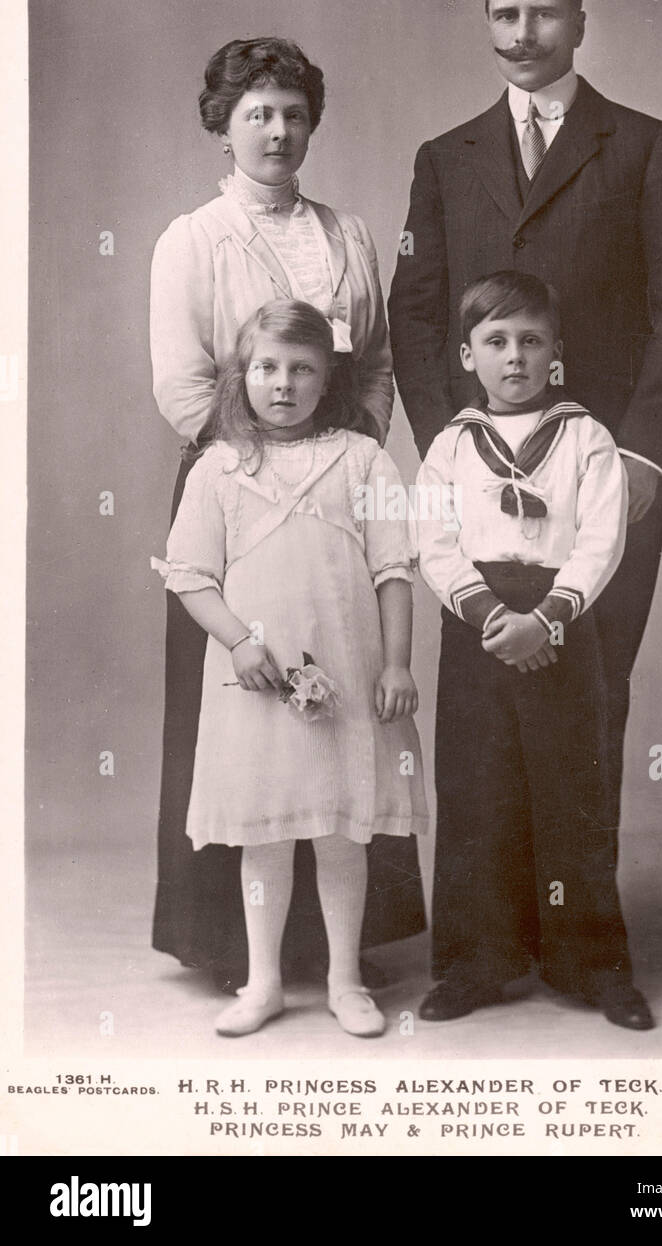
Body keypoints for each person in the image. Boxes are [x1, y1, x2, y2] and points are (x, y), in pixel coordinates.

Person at [389, 0, 662, 1026]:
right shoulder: (446, 157)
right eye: (502, 13)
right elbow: (417, 313)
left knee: (584, 718)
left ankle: (583, 952)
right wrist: (464, 458)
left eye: (542, 13)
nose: (521, 31)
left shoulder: (647, 145)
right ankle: (479, 950)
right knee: (479, 730)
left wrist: (640, 458)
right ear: (485, 23)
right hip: (475, 499)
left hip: (605, 484)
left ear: (580, 18)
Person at [150, 37, 425, 993]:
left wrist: (349, 450)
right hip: (235, 482)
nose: (277, 130)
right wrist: (258, 456)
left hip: (340, 485)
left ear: (311, 124)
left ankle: (346, 961)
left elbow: (378, 362)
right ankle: (243, 955)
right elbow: (182, 382)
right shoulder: (193, 238)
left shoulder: (346, 233)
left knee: (344, 701)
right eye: (257, 112)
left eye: (292, 113)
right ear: (222, 126)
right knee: (254, 717)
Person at [152, 299, 427, 1036]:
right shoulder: (218, 468)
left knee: (345, 828)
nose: (282, 384)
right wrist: (240, 641)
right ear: (242, 376)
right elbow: (189, 576)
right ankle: (264, 981)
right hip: (260, 682)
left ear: (327, 378)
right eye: (267, 368)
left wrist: (396, 664)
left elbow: (393, 570)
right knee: (263, 831)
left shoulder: (362, 459)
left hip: (347, 674)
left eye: (302, 369)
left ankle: (345, 979)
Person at [414, 271, 651, 1029]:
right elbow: (433, 543)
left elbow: (600, 541)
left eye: (529, 341)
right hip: (478, 628)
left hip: (560, 629)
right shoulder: (451, 447)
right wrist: (492, 617)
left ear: (556, 353)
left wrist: (544, 620)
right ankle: (477, 961)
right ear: (466, 355)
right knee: (479, 792)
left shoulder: (587, 438)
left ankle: (590, 963)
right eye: (494, 342)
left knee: (571, 794)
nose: (512, 357)